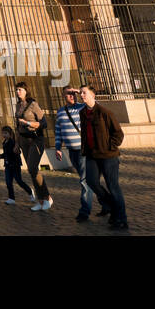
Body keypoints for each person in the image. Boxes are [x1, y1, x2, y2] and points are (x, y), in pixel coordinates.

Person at [79, 84, 127, 230]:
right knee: (92, 182)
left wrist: (109, 147)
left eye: (84, 93)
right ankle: (112, 207)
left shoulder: (105, 112)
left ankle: (121, 219)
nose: (81, 95)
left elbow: (118, 134)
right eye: (80, 93)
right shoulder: (82, 113)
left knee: (113, 186)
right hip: (91, 155)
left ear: (93, 95)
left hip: (108, 156)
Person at [52, 86, 93, 222]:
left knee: (84, 180)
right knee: (87, 179)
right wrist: (58, 147)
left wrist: (79, 92)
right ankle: (106, 203)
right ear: (63, 96)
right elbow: (58, 131)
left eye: (73, 94)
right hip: (71, 150)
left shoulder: (82, 107)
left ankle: (84, 211)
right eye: (68, 94)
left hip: (83, 150)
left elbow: (95, 104)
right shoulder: (61, 112)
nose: (72, 96)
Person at [13, 82, 52, 212]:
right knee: (31, 170)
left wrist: (28, 122)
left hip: (35, 139)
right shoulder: (18, 105)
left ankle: (46, 198)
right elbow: (17, 127)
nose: (18, 92)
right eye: (17, 90)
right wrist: (17, 144)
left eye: (20, 89)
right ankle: (40, 201)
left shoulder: (33, 105)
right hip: (23, 140)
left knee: (33, 167)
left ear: (26, 90)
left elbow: (44, 123)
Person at [0, 125, 33, 204]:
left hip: (15, 165)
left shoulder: (13, 142)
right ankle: (11, 198)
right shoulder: (4, 143)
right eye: (3, 133)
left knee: (19, 181)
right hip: (7, 165)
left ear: (10, 134)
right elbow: (6, 153)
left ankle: (30, 192)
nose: (4, 135)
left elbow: (17, 152)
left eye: (6, 133)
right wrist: (1, 156)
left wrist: (12, 153)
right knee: (8, 182)